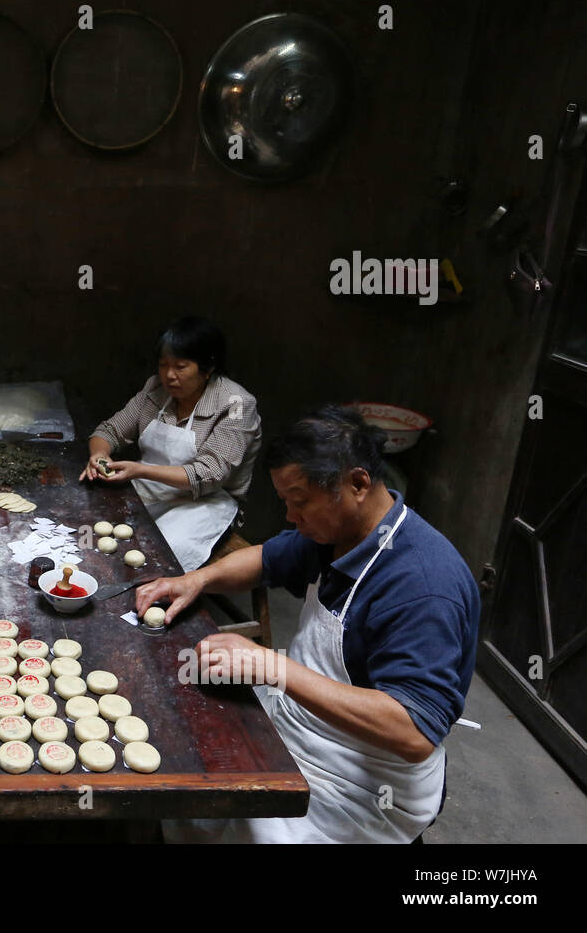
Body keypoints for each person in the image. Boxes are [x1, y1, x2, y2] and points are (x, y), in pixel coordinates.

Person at [139, 405, 481, 842]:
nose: (290, 516)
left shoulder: (423, 585)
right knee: (183, 755)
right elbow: (266, 559)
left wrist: (274, 667)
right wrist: (195, 580)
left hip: (361, 781)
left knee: (249, 828)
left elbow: (413, 731)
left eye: (299, 502)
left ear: (357, 483)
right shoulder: (338, 532)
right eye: (286, 502)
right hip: (297, 724)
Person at [82, 316, 261, 571]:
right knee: (89, 525)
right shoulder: (156, 389)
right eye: (163, 364)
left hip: (206, 502)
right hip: (149, 486)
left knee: (156, 555)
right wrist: (100, 457)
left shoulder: (236, 404)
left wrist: (140, 469)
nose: (169, 375)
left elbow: (209, 474)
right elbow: (110, 430)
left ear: (207, 368)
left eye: (181, 366)